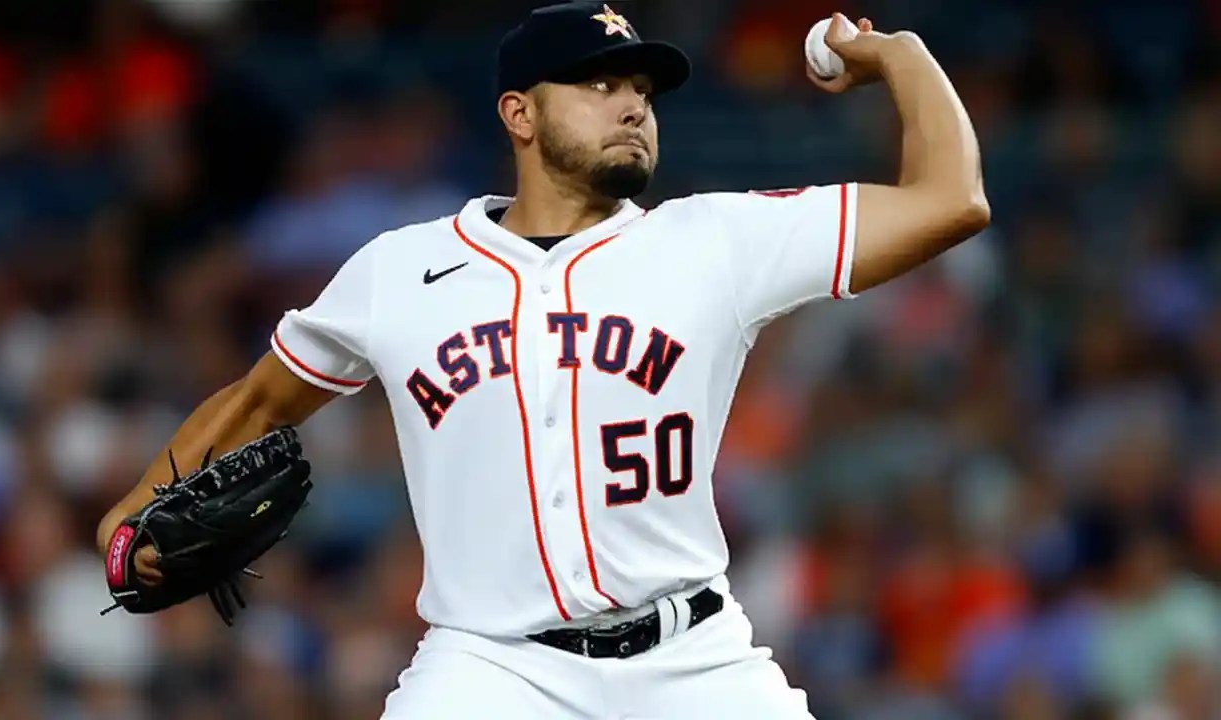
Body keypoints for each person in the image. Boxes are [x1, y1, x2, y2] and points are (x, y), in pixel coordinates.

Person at [96, 3, 990, 718]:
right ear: (519, 113)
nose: (634, 103)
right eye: (599, 83)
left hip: (695, 659)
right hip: (491, 669)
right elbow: (259, 404)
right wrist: (128, 519)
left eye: (641, 87)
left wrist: (901, 54)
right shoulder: (401, 268)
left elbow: (951, 201)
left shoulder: (717, 239)